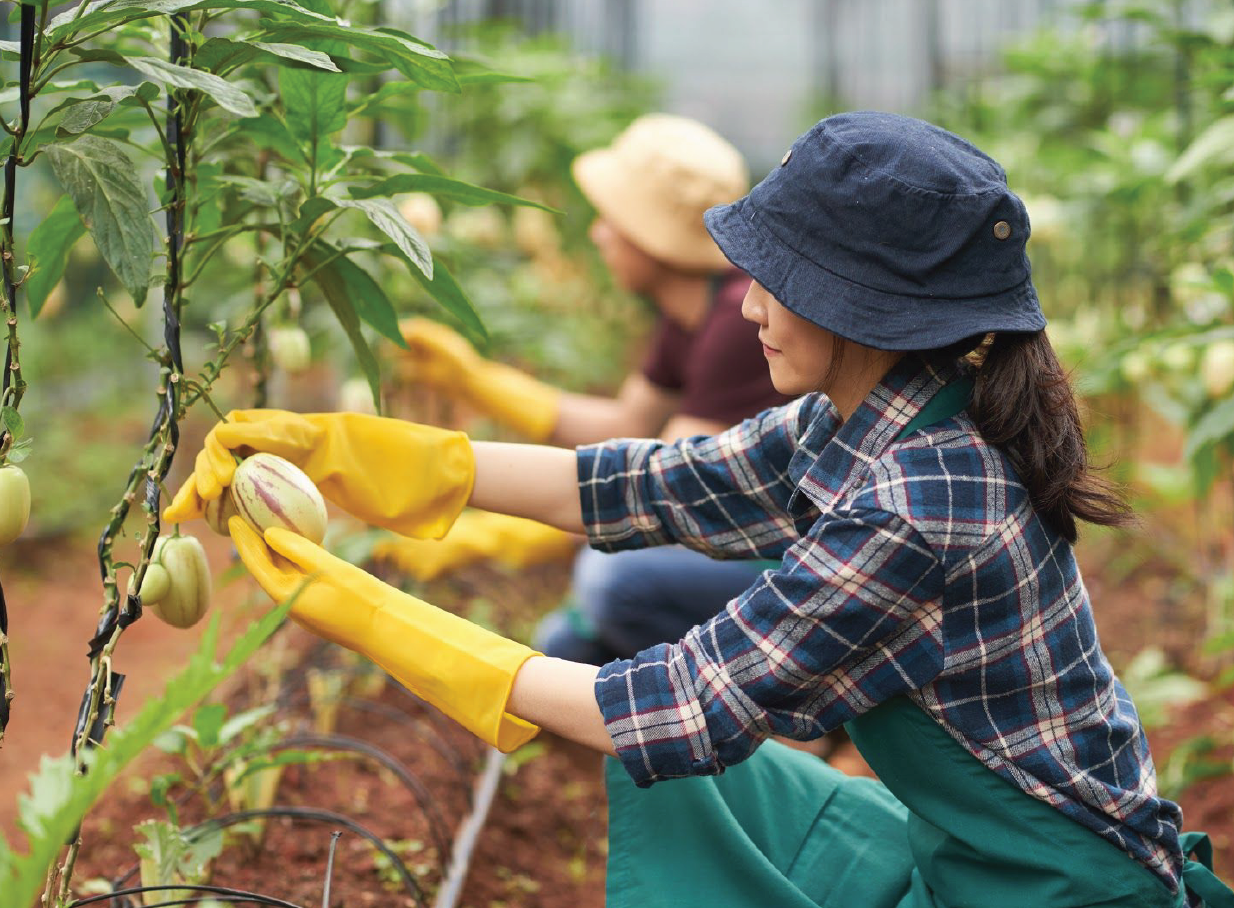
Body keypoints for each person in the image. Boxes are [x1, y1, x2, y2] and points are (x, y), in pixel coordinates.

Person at [166, 112, 1233, 907]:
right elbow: (642, 482)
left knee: (676, 754)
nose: (750, 301)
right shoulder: (872, 415)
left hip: (1053, 888)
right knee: (707, 793)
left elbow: (678, 705)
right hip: (985, 849)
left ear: (863, 306)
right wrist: (355, 456)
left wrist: (348, 601)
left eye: (775, 276)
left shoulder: (919, 500)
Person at [381, 113, 791, 665]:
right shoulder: (689, 316)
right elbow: (623, 427)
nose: (598, 233)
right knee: (566, 647)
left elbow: (665, 493)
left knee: (612, 578)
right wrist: (476, 380)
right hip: (735, 549)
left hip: (784, 562)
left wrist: (493, 536)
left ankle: (803, 721)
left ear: (652, 237)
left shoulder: (735, 322)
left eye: (611, 220)